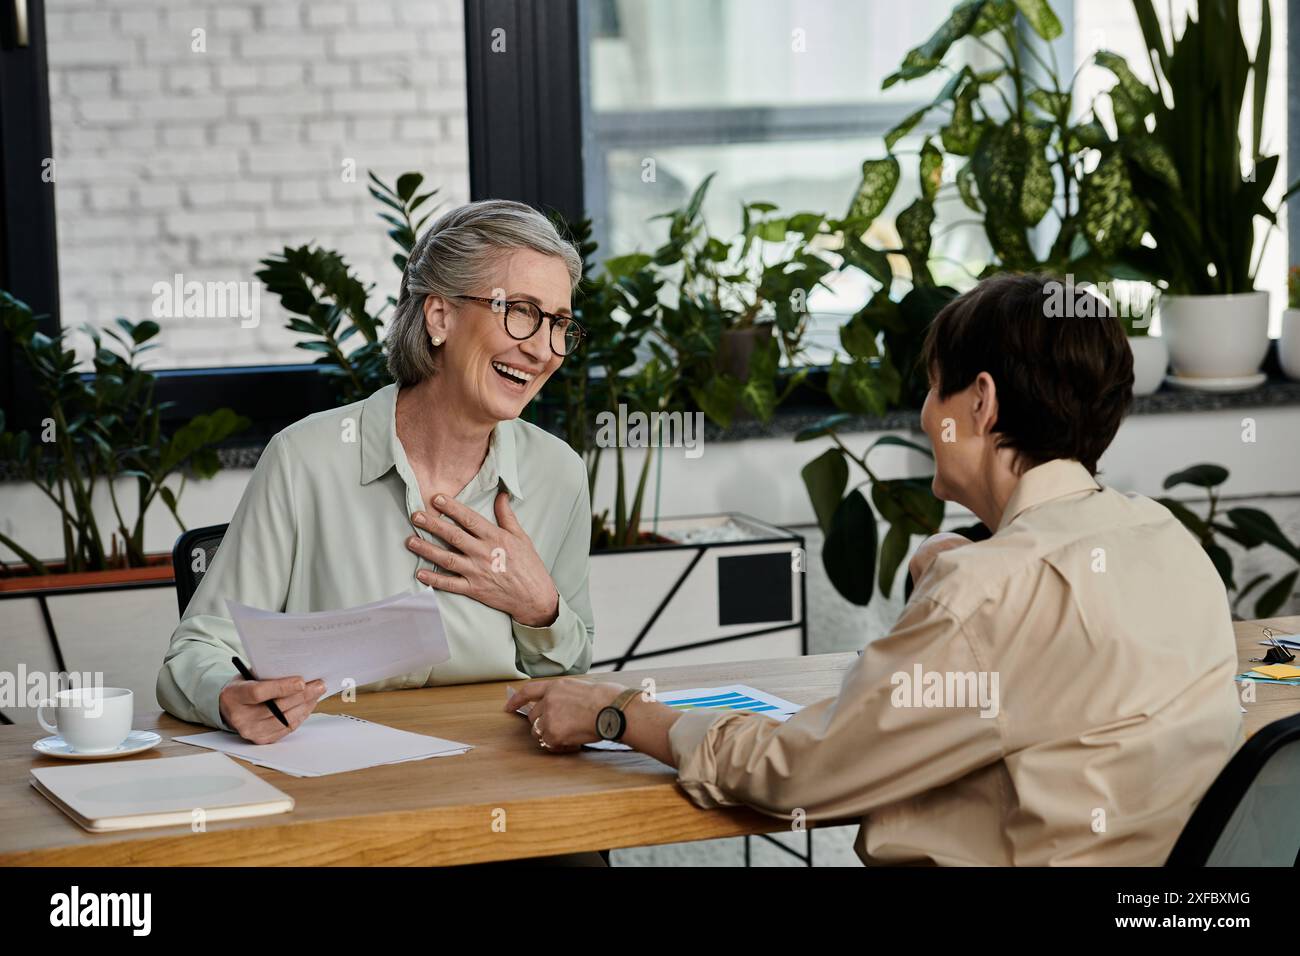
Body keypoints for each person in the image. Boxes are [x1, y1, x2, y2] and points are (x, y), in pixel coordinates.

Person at [509, 273, 1244, 866]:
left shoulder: (988, 593)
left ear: (980, 403)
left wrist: (618, 712)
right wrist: (975, 571)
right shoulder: (1165, 540)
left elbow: (798, 772)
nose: (925, 414)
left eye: (933, 387)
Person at [158, 200, 595, 744]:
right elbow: (197, 650)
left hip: (497, 775)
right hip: (332, 778)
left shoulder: (560, 474)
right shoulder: (305, 459)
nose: (543, 349)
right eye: (522, 311)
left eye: (559, 324)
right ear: (441, 317)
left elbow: (569, 680)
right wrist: (228, 695)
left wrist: (540, 609)